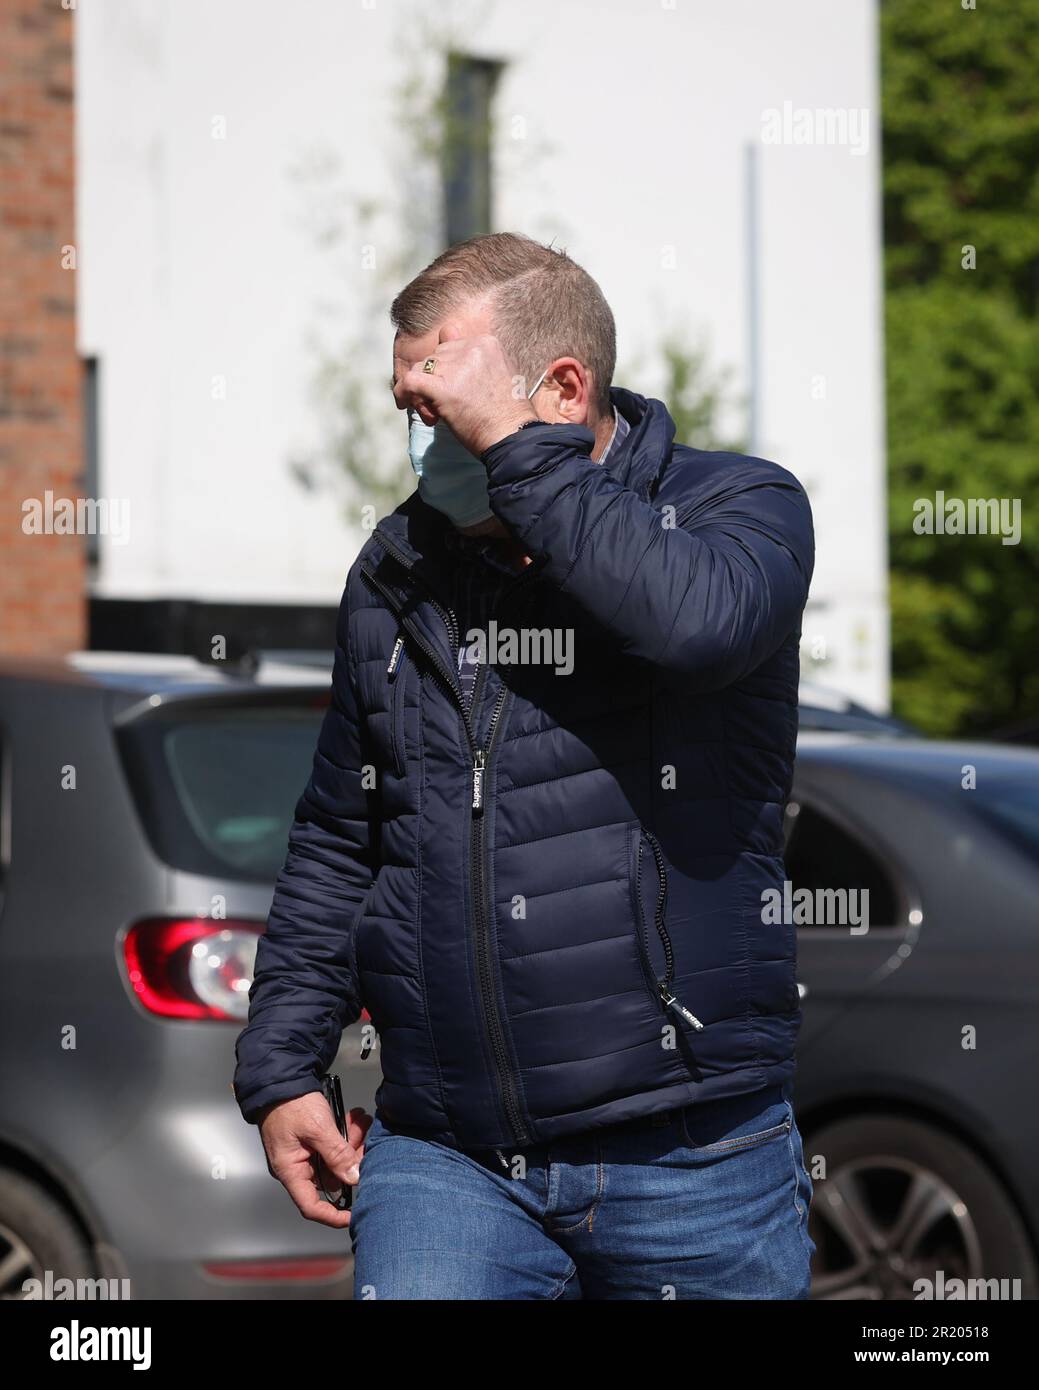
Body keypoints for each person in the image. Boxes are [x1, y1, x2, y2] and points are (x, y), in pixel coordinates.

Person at [233, 232, 817, 1299]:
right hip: (446, 1157)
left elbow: (693, 627)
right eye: (409, 411)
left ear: (561, 387)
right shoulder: (401, 566)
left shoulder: (736, 509)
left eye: (444, 410)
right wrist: (280, 1069)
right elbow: (341, 834)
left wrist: (521, 458)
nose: (422, 446)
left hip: (694, 1158)